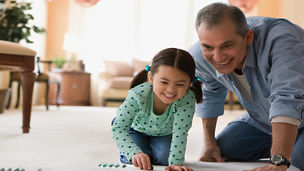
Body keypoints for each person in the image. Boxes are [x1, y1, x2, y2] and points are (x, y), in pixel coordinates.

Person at [188, 2, 304, 171]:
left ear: (248, 37)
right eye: (208, 47)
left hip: (297, 109)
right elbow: (209, 93)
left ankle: (291, 144)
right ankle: (289, 140)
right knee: (224, 148)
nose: (217, 57)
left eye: (226, 46)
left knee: (299, 158)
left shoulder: (283, 41)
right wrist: (209, 144)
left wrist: (278, 160)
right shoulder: (198, 55)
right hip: (264, 120)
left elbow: (287, 97)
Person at [111, 48, 203, 171]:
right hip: (135, 130)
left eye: (180, 84)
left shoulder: (186, 98)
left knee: (165, 160)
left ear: (189, 83)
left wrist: (176, 163)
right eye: (164, 82)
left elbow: (180, 132)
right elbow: (119, 127)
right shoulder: (138, 95)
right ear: (151, 77)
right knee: (136, 158)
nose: (170, 90)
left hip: (164, 133)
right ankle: (142, 150)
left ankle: (149, 150)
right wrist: (134, 152)